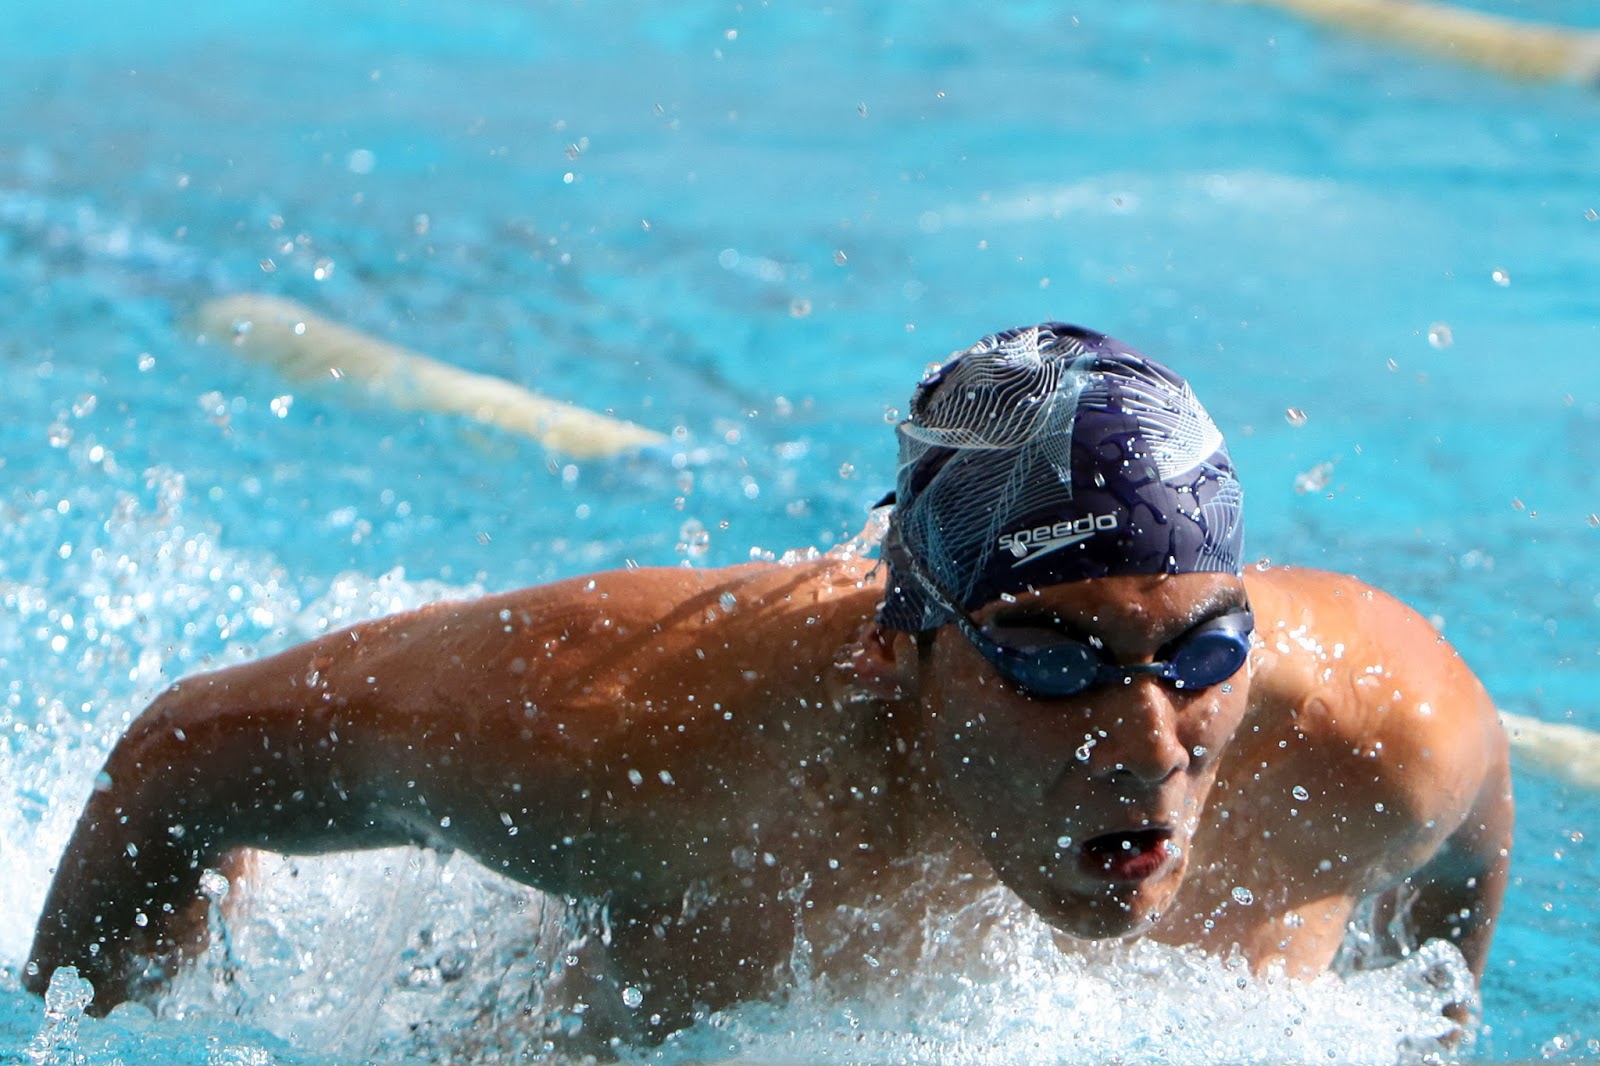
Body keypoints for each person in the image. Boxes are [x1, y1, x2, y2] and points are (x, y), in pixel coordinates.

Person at [26, 323, 1512, 1050]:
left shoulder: (1376, 734)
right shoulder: (637, 742)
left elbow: (1474, 833)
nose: (1149, 742)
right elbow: (181, 755)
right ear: (902, 648)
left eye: (1196, 653)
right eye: (1051, 656)